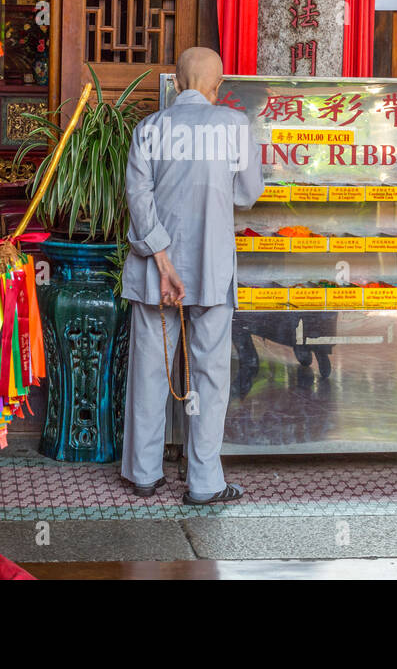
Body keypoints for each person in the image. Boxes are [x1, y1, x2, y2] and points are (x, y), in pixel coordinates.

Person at [120, 47, 264, 505]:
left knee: (149, 372)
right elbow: (248, 195)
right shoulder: (234, 127)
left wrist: (162, 257)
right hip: (211, 268)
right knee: (210, 376)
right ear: (217, 86)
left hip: (153, 276)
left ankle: (144, 473)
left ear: (177, 83)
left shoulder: (149, 129)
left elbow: (137, 199)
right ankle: (204, 482)